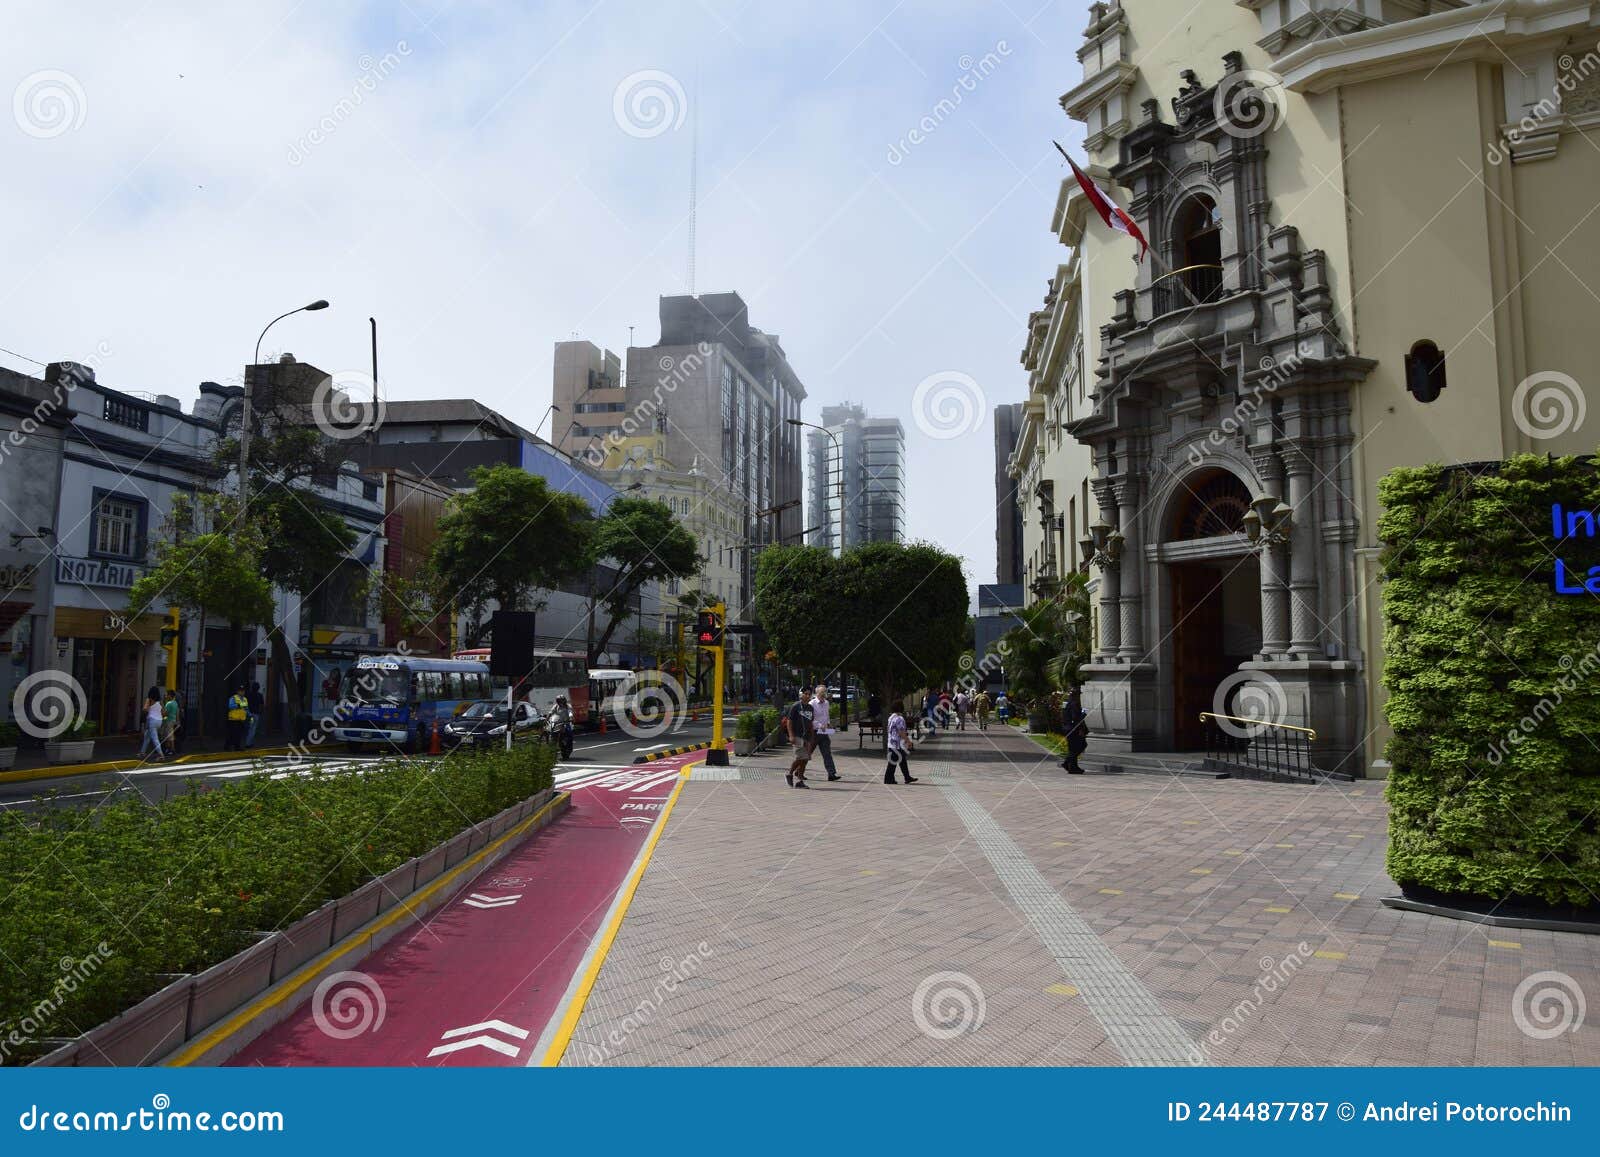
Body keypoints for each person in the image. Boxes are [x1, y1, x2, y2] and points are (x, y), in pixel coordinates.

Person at [782, 690, 814, 789]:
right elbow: (789, 722)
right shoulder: (796, 706)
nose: (808, 696)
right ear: (801, 695)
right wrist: (791, 735)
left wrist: (811, 736)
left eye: (809, 694)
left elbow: (810, 722)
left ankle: (799, 781)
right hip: (797, 735)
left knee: (805, 759)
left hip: (806, 737)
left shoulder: (810, 708)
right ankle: (789, 773)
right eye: (806, 694)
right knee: (801, 757)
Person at [810, 684, 841, 782]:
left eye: (825, 692)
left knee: (827, 753)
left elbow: (826, 716)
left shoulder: (826, 703)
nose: (824, 694)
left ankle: (831, 774)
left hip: (824, 733)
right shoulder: (812, 704)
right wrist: (820, 725)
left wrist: (828, 723)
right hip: (814, 733)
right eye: (822, 692)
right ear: (817, 693)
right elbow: (810, 719)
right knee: (807, 753)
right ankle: (798, 771)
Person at [882, 707, 918, 785]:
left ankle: (906, 777)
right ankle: (888, 779)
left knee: (902, 760)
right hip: (897, 744)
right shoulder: (899, 719)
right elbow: (901, 732)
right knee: (893, 762)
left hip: (891, 742)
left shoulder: (891, 718)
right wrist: (908, 741)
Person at [1061, 687, 1088, 774]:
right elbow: (1075, 718)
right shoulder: (1074, 704)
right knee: (1080, 745)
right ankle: (1067, 763)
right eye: (1078, 694)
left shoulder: (1067, 703)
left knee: (1073, 748)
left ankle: (1073, 766)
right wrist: (1083, 714)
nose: (1079, 696)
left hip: (1067, 728)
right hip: (1073, 729)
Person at [138, 689, 165, 761]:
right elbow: (164, 712)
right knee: (147, 736)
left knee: (155, 739)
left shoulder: (149, 700)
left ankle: (161, 755)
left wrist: (148, 709)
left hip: (152, 721)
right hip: (159, 721)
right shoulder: (160, 701)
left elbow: (145, 709)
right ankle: (142, 752)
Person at [224, 684, 249, 751]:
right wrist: (238, 705)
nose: (242, 692)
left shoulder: (245, 699)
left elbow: (246, 708)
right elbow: (230, 706)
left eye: (243, 691)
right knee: (231, 734)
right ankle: (227, 746)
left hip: (241, 720)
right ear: (237, 691)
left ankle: (237, 747)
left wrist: (249, 715)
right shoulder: (233, 698)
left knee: (239, 734)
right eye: (240, 691)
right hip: (233, 719)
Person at [161, 689, 181, 758]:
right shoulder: (175, 703)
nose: (166, 696)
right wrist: (178, 721)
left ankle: (171, 750)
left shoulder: (168, 703)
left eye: (167, 695)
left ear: (170, 695)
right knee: (170, 736)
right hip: (173, 721)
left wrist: (162, 705)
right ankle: (169, 750)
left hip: (168, 721)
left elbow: (165, 714)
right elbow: (177, 712)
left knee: (168, 737)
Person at [244, 680, 264, 748]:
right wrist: (261, 712)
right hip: (255, 714)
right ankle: (248, 743)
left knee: (250, 728)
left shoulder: (248, 695)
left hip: (249, 713)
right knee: (253, 728)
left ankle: (250, 742)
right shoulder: (259, 695)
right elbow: (262, 705)